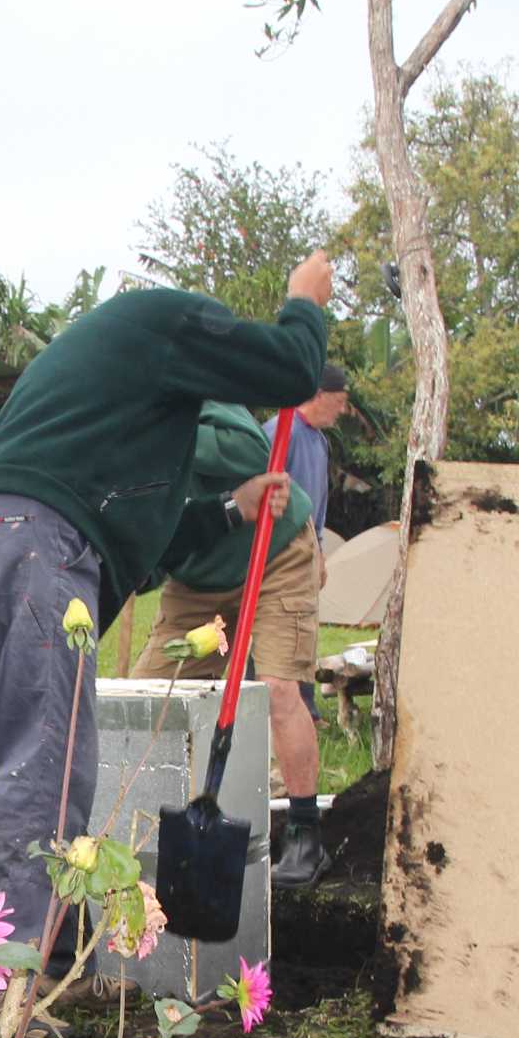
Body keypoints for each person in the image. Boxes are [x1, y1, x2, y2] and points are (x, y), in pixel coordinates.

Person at [0, 253, 333, 959]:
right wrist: (305, 302)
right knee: (50, 773)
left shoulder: (101, 395)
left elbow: (149, 547)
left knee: (27, 768)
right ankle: (18, 975)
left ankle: (32, 947)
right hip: (35, 547)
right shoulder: (171, 322)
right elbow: (292, 371)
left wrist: (232, 509)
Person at [141, 364, 353, 888]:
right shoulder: (106, 466)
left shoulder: (200, 398)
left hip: (275, 549)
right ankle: (143, 826)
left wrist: (162, 442)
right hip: (198, 579)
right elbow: (144, 568)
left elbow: (252, 452)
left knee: (280, 687)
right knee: (150, 695)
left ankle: (304, 835)